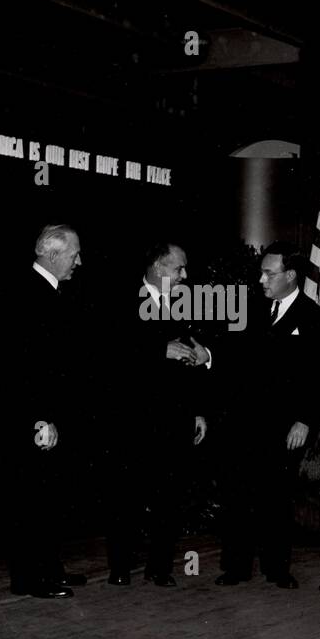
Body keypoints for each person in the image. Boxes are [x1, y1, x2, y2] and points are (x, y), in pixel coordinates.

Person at [217, 242, 320, 589]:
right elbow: (229, 358)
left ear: (291, 276)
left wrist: (305, 420)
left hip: (286, 427)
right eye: (262, 271)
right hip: (243, 422)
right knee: (238, 495)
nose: (262, 278)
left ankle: (277, 568)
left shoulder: (316, 318)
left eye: (269, 273)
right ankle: (235, 567)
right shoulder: (247, 308)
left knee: (277, 496)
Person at [107, 241, 211, 588]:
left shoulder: (186, 304)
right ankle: (120, 567)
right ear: (157, 267)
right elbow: (110, 355)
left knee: (171, 496)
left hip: (177, 417)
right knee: (129, 496)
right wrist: (158, 350)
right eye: (179, 269)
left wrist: (198, 412)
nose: (185, 276)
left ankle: (160, 567)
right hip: (135, 420)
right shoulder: (123, 299)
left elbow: (192, 357)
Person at [0, 225, 86, 598]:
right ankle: (30, 579)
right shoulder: (26, 294)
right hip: (35, 419)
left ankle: (50, 569)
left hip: (50, 417)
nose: (79, 261)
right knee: (31, 499)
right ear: (52, 255)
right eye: (74, 254)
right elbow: (24, 368)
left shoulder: (52, 293)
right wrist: (40, 419)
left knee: (48, 497)